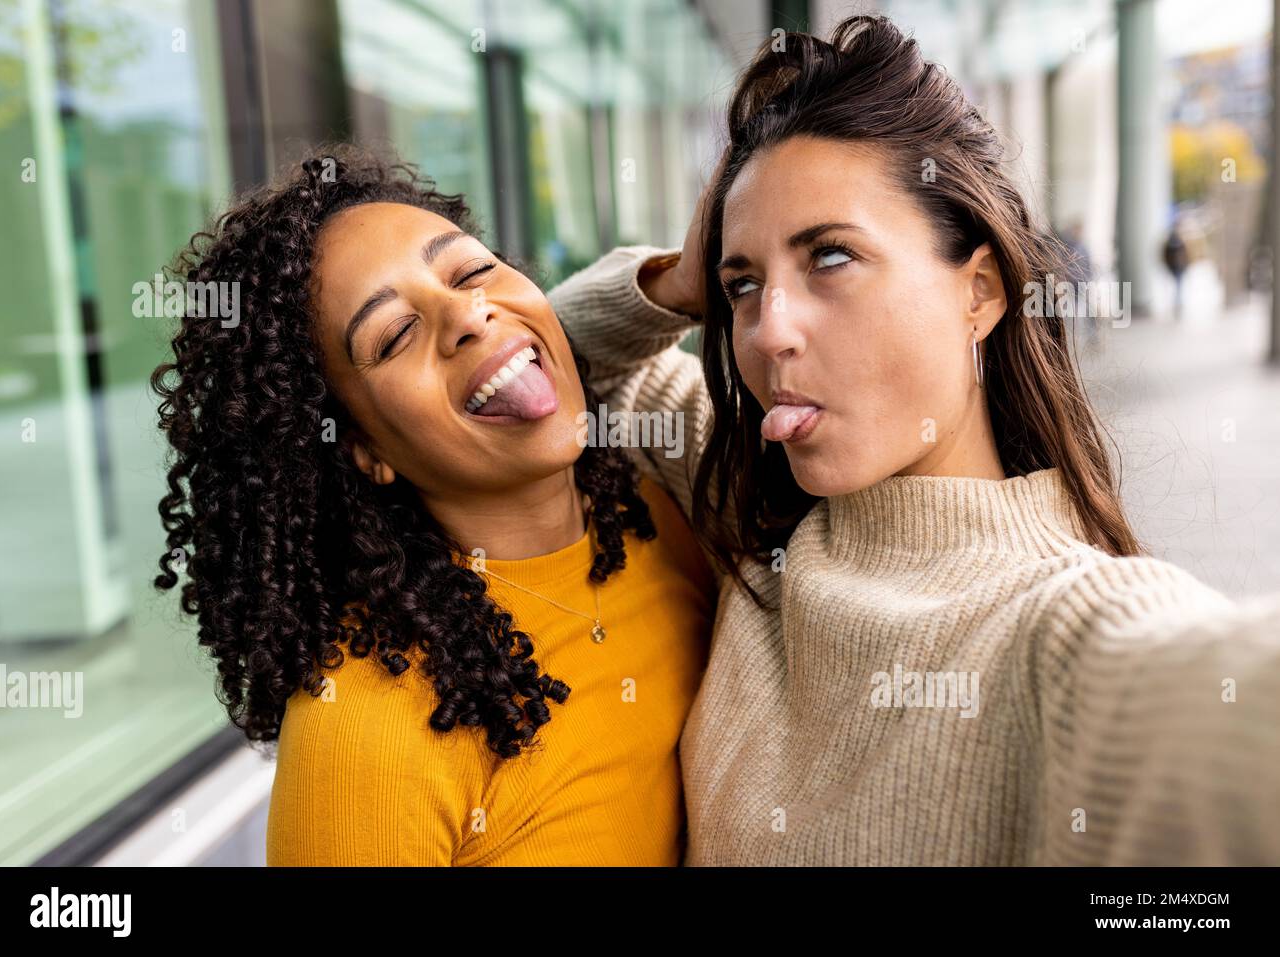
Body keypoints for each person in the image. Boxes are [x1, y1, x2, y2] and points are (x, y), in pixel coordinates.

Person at [548, 14, 1280, 865]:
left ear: (980, 293)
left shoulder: (1069, 627)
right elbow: (555, 375)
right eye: (743, 284)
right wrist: (678, 280)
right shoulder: (754, 503)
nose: (769, 331)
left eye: (828, 257)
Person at [151, 144, 715, 865]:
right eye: (394, 335)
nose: (470, 315)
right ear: (363, 449)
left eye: (472, 270)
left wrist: (674, 283)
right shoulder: (364, 733)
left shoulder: (657, 509)